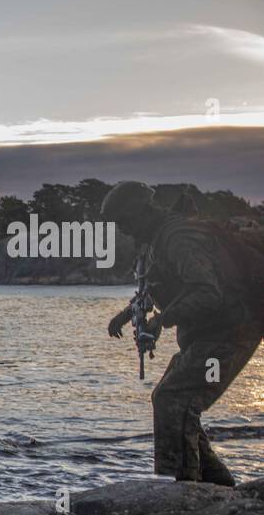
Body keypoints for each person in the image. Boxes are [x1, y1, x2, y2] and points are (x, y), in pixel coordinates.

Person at [103, 180, 264, 485]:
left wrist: (161, 321)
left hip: (230, 334)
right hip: (211, 335)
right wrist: (128, 313)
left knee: (173, 398)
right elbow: (162, 285)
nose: (123, 230)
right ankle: (216, 486)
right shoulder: (160, 240)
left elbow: (207, 292)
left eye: (124, 221)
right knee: (178, 403)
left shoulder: (179, 239)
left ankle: (188, 487)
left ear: (142, 212)